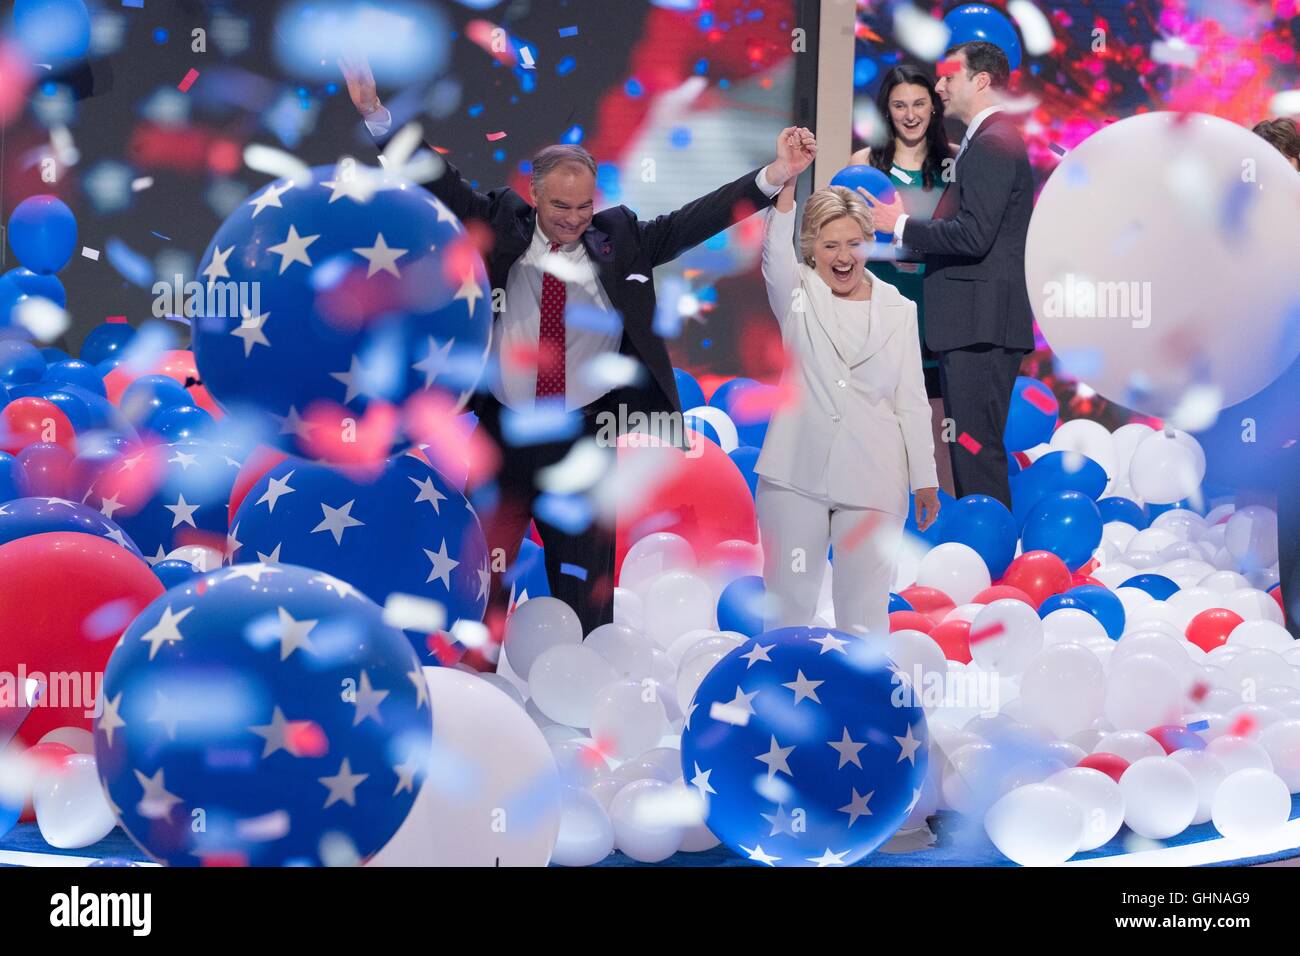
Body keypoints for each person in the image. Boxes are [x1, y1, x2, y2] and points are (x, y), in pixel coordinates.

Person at [339, 55, 812, 653]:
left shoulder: (623, 238)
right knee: (483, 579)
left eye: (583, 206)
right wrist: (375, 115)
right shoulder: (499, 222)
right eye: (560, 207)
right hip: (502, 437)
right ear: (533, 196)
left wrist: (775, 174)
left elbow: (702, 217)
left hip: (586, 437)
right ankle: (478, 692)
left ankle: (584, 693)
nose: (572, 219)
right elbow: (434, 177)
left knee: (587, 593)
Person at [756, 141, 941, 637]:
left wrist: (924, 477)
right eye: (829, 244)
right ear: (811, 247)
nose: (843, 257)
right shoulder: (796, 293)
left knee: (863, 618)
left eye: (854, 243)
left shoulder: (900, 310)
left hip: (875, 476)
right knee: (788, 610)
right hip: (795, 474)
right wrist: (787, 185)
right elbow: (773, 254)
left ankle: (861, 714)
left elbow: (911, 401)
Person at [863, 41, 1035, 510]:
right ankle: (985, 550)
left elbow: (973, 236)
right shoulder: (989, 141)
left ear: (980, 81)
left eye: (947, 78)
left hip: (980, 325)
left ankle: (989, 556)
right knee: (973, 447)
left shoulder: (993, 143)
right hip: (974, 324)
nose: (939, 86)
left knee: (977, 450)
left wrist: (896, 225)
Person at [848, 64, 956, 497]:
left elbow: (964, 234)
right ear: (886, 111)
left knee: (935, 430)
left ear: (933, 106)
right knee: (875, 427)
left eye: (918, 104)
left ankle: (941, 530)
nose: (910, 115)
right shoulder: (863, 164)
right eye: (899, 106)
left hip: (936, 311)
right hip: (880, 312)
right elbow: (843, 239)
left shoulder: (953, 162)